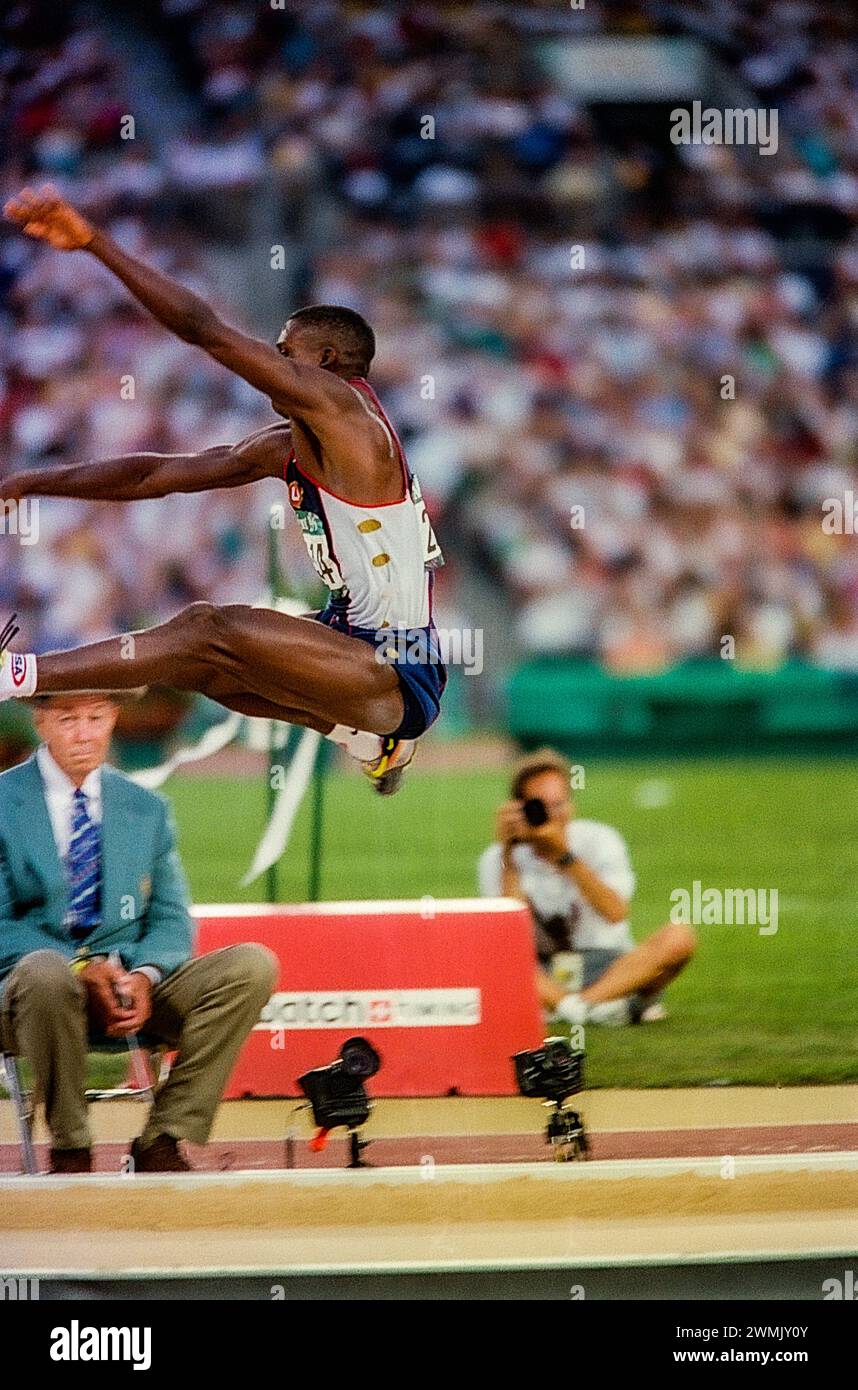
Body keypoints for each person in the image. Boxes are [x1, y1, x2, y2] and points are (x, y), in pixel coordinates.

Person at [0, 184, 447, 796]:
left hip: (396, 666)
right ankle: (369, 743)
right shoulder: (285, 445)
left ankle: (16, 674)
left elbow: (204, 330)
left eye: (288, 354)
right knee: (200, 667)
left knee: (208, 626)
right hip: (350, 646)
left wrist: (95, 244)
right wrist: (29, 481)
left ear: (329, 359)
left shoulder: (344, 411)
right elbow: (154, 475)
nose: (277, 363)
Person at [0, 691, 277, 1173]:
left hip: (128, 987)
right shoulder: (4, 803)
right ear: (41, 722)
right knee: (47, 973)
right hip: (30, 991)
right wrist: (81, 968)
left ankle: (163, 1137)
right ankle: (71, 1146)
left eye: (95, 717)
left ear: (114, 719)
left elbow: (171, 917)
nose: (84, 733)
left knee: (251, 965)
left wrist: (145, 975)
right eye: (68, 719)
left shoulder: (146, 807)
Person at [477, 748, 696, 1025]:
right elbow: (509, 936)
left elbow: (615, 912)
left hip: (610, 969)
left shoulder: (600, 840)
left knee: (679, 936)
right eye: (541, 807)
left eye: (560, 804)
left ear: (571, 804)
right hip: (540, 971)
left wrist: (565, 856)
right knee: (493, 955)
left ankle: (573, 1008)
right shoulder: (498, 858)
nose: (553, 815)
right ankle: (603, 1010)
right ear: (519, 809)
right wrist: (508, 853)